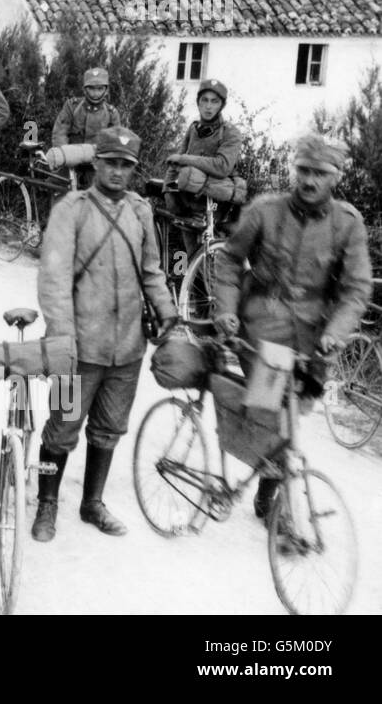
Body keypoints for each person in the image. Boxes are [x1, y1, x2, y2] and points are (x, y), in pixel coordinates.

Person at [212, 133, 372, 524]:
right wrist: (227, 311)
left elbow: (356, 289)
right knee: (273, 414)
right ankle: (279, 507)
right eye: (303, 170)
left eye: (319, 173)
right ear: (294, 169)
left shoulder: (347, 223)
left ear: (335, 177)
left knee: (292, 416)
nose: (309, 181)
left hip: (314, 338)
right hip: (263, 329)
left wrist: (337, 330)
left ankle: (268, 492)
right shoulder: (265, 212)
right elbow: (230, 262)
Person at [33, 126, 178, 542]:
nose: (117, 172)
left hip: (126, 348)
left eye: (126, 165)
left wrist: (166, 310)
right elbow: (53, 279)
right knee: (60, 428)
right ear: (96, 162)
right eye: (110, 162)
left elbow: (152, 270)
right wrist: (62, 337)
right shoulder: (70, 209)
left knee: (110, 427)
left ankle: (92, 502)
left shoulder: (140, 211)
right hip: (75, 346)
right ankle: (47, 503)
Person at [165, 78, 244, 252]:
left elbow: (222, 166)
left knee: (211, 256)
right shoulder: (193, 129)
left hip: (215, 206)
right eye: (204, 100)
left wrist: (186, 159)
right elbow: (174, 164)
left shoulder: (230, 132)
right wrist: (168, 191)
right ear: (198, 103)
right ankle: (188, 278)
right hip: (188, 202)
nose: (209, 106)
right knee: (189, 255)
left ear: (222, 105)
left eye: (214, 101)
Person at [51, 67, 121, 188]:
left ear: (106, 90)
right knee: (59, 195)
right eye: (91, 88)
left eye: (100, 89)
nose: (95, 93)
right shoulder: (72, 107)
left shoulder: (111, 114)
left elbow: (114, 145)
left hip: (96, 169)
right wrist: (65, 156)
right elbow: (60, 133)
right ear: (85, 89)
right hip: (70, 165)